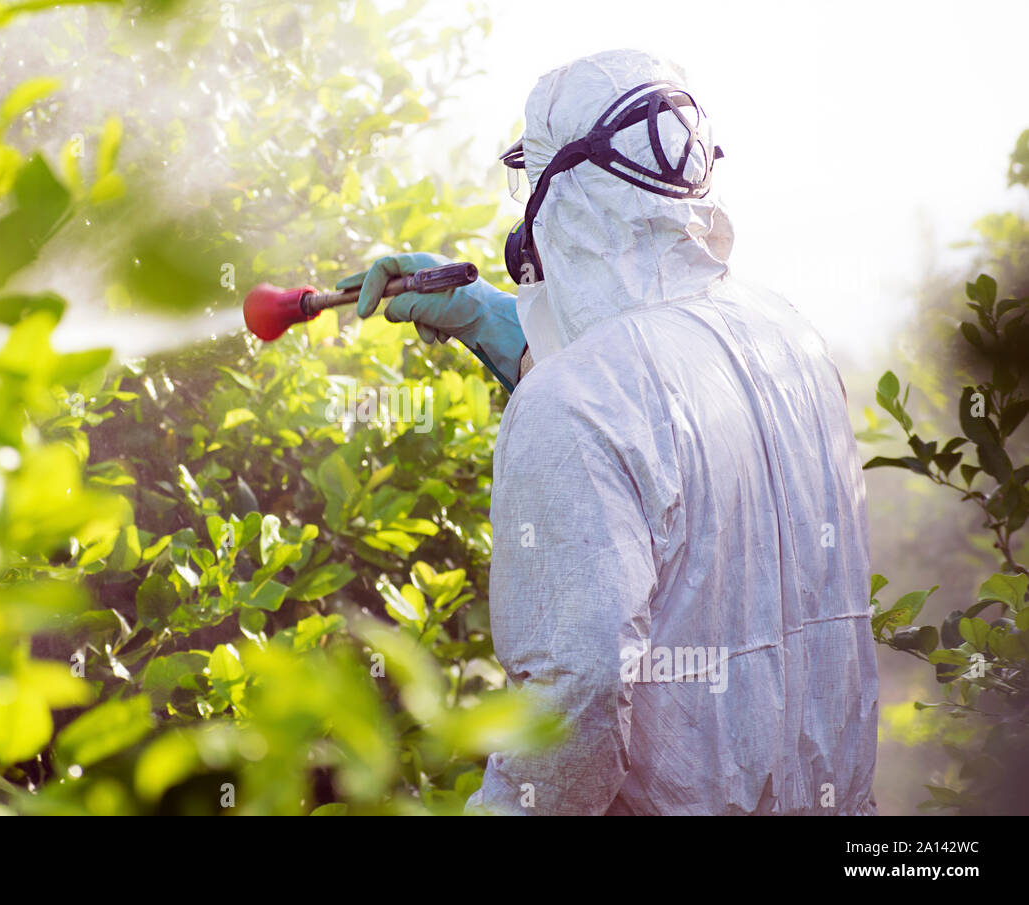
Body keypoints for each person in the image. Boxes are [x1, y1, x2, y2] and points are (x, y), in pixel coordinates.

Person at [337, 49, 878, 815]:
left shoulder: (575, 402)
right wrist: (489, 317)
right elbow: (658, 406)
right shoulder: (790, 343)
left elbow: (578, 695)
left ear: (565, 194)